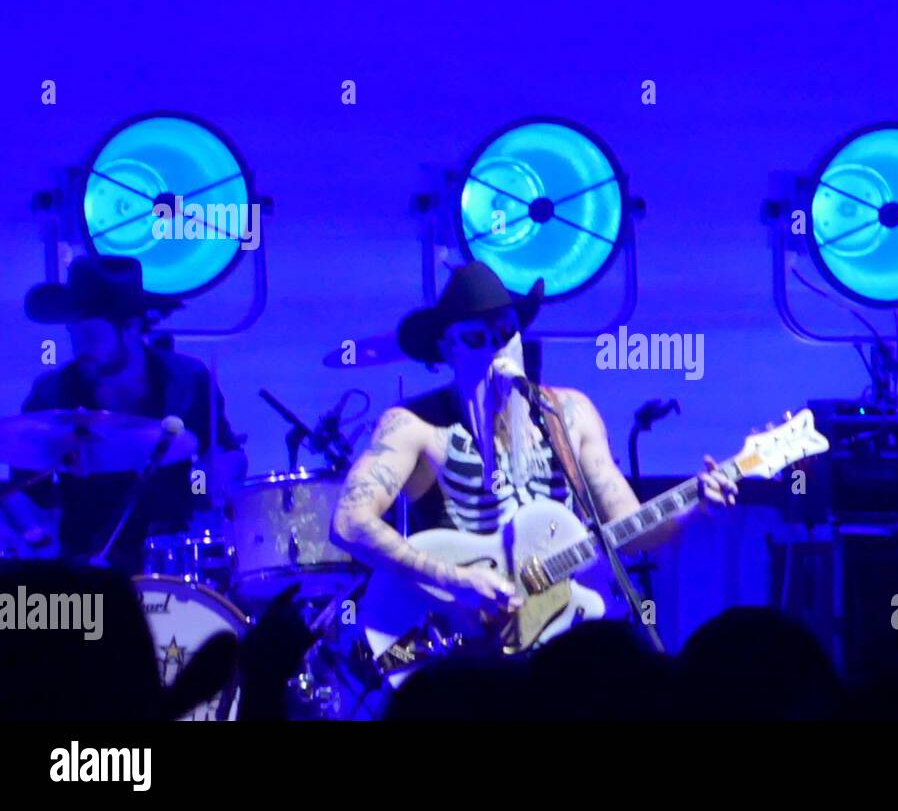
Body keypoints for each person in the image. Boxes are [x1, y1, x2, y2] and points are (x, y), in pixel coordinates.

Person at [331, 260, 738, 618]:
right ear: (446, 347)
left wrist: (695, 505)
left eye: (506, 333)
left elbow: (629, 532)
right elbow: (350, 523)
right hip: (465, 636)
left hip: (559, 628)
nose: (495, 349)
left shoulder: (568, 413)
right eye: (476, 338)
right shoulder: (414, 424)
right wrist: (456, 579)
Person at [4, 254, 246, 571]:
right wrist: (35, 536)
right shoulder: (53, 392)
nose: (80, 348)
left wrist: (224, 477)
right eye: (74, 335)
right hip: (86, 564)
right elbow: (23, 491)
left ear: (131, 328)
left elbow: (225, 452)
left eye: (90, 335)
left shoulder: (187, 380)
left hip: (174, 557)